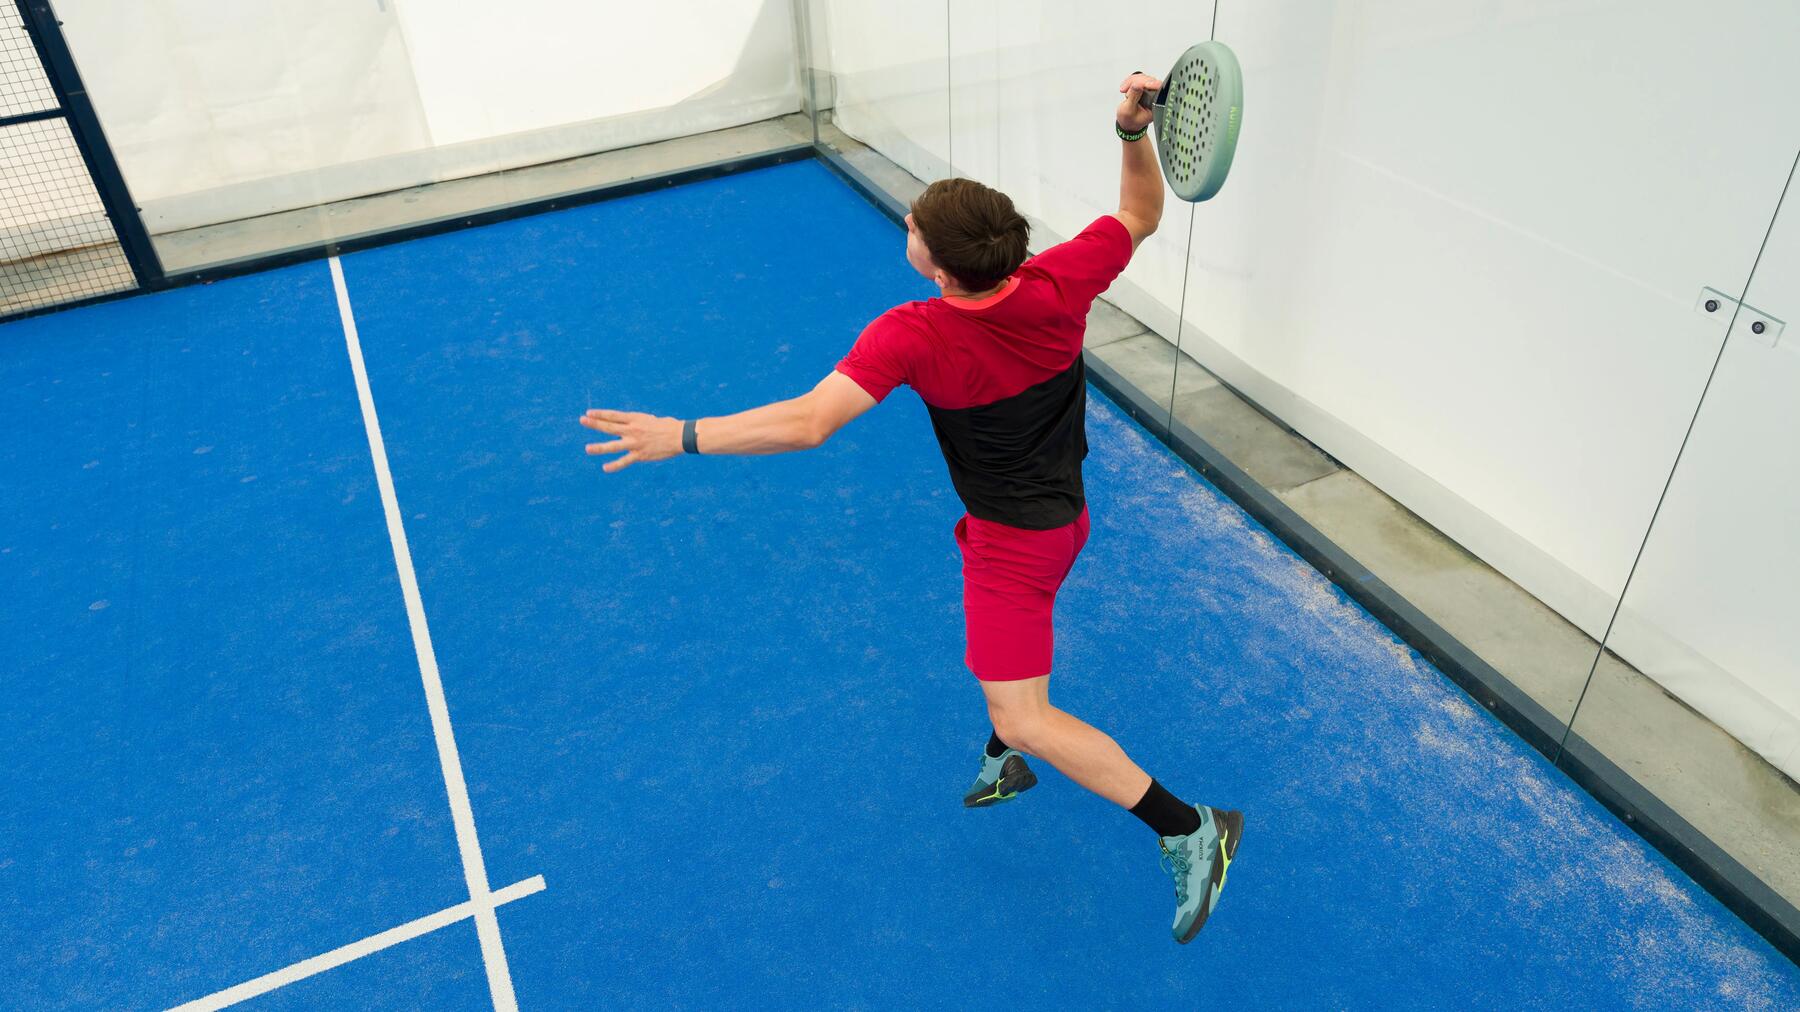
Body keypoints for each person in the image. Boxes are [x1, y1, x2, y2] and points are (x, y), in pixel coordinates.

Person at [579, 72, 1243, 944]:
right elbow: (1140, 213)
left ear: (940, 265)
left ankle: (1190, 828)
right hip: (1056, 517)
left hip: (1018, 545)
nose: (907, 224)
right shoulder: (1059, 281)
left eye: (915, 228)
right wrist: (1130, 133)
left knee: (1023, 712)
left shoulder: (915, 335)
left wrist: (682, 435)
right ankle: (1006, 760)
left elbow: (810, 422)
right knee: (1004, 666)